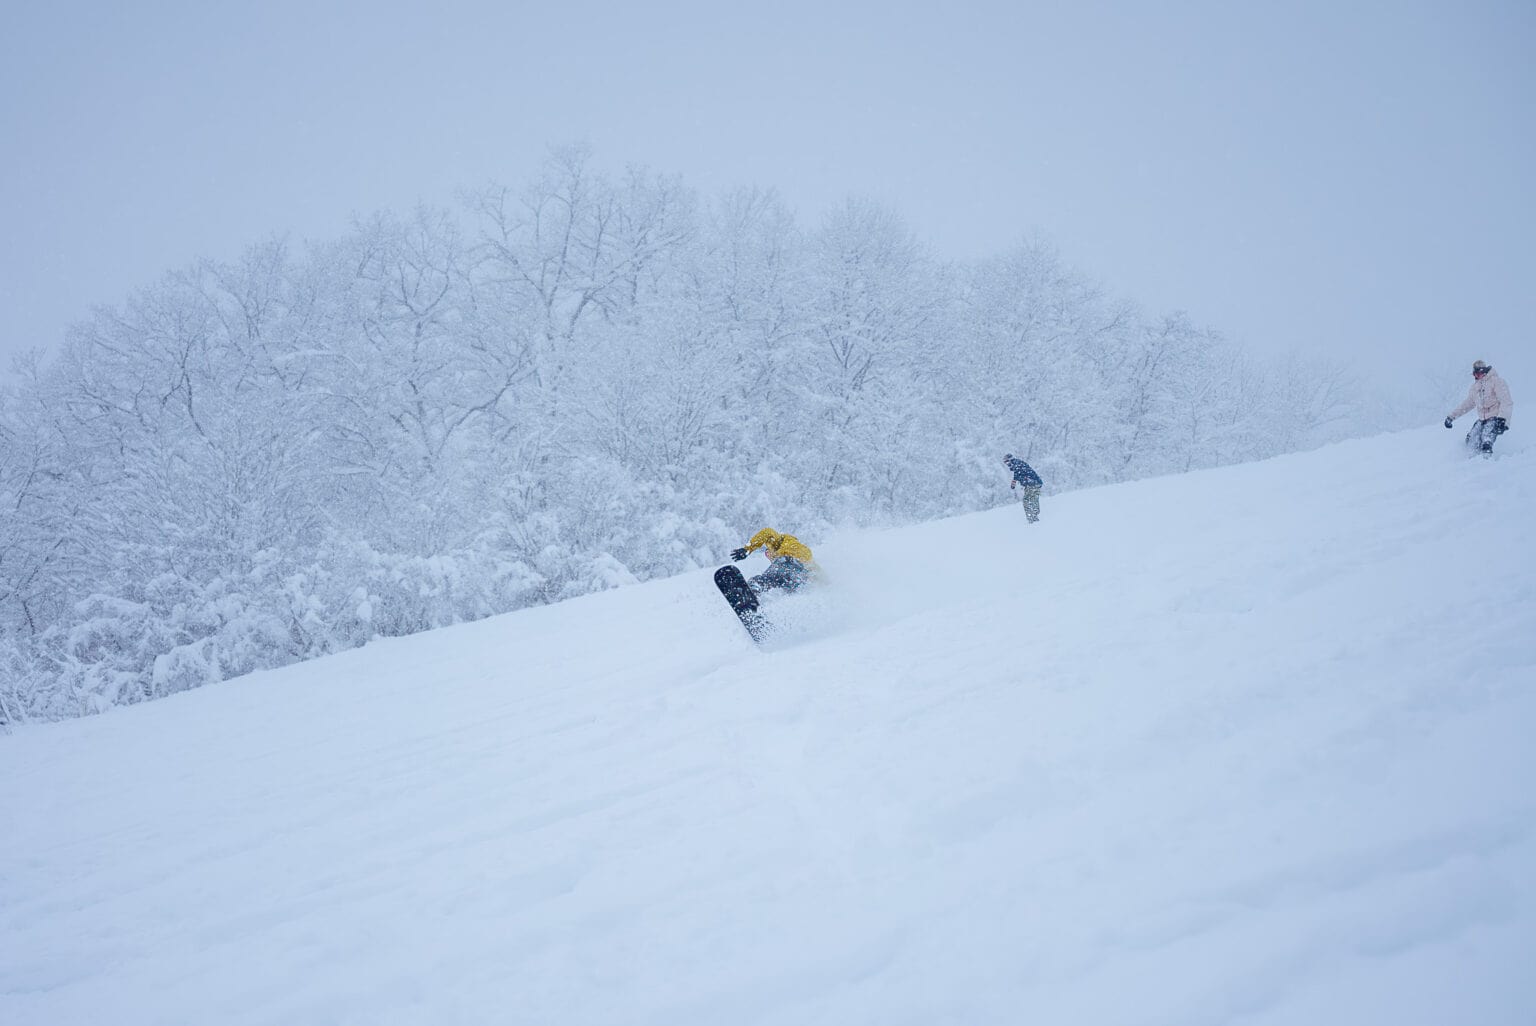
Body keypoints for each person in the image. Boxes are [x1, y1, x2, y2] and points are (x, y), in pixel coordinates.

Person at [1444, 360, 1513, 454]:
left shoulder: (1496, 382)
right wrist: (1451, 417)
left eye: (1478, 373)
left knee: (1486, 440)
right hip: (1482, 420)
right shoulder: (1475, 387)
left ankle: (1488, 463)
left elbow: (1506, 401)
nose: (1476, 376)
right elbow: (1467, 404)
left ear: (1484, 371)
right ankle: (1470, 463)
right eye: (1475, 374)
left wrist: (1502, 419)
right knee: (1470, 441)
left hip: (1495, 418)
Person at [730, 528, 820, 594]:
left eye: (768, 553)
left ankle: (753, 588)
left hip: (786, 563)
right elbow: (818, 574)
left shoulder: (782, 541)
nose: (770, 558)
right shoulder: (806, 553)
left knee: (765, 580)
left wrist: (747, 549)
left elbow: (767, 532)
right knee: (780, 593)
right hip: (798, 577)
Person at [1003, 454, 1043, 523]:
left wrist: (1015, 483)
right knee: (1033, 498)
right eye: (1005, 462)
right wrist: (1015, 482)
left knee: (1026, 500)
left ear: (1010, 460)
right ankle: (1035, 515)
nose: (1006, 464)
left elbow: (1018, 473)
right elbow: (1018, 474)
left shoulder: (1016, 464)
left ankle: (1031, 518)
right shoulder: (1018, 464)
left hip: (1032, 483)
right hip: (1036, 483)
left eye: (1007, 462)